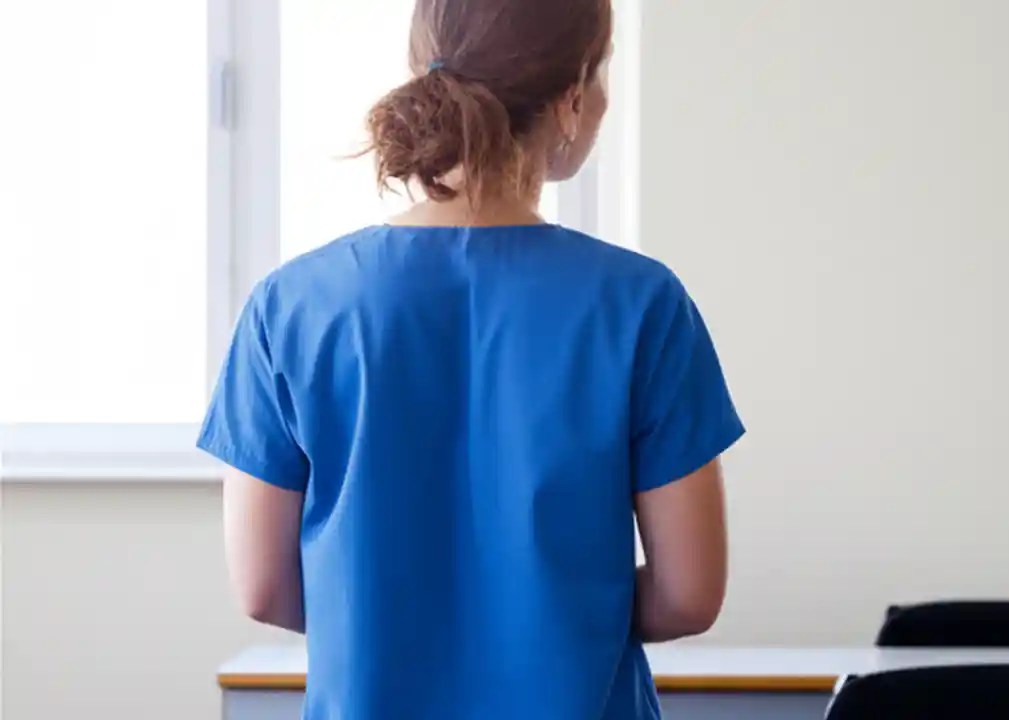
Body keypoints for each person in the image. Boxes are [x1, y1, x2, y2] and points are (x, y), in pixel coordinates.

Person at [197, 0, 744, 717]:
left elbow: (263, 587)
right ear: (573, 98)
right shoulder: (643, 305)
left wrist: (409, 628)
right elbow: (688, 595)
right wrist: (546, 624)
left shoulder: (291, 306)